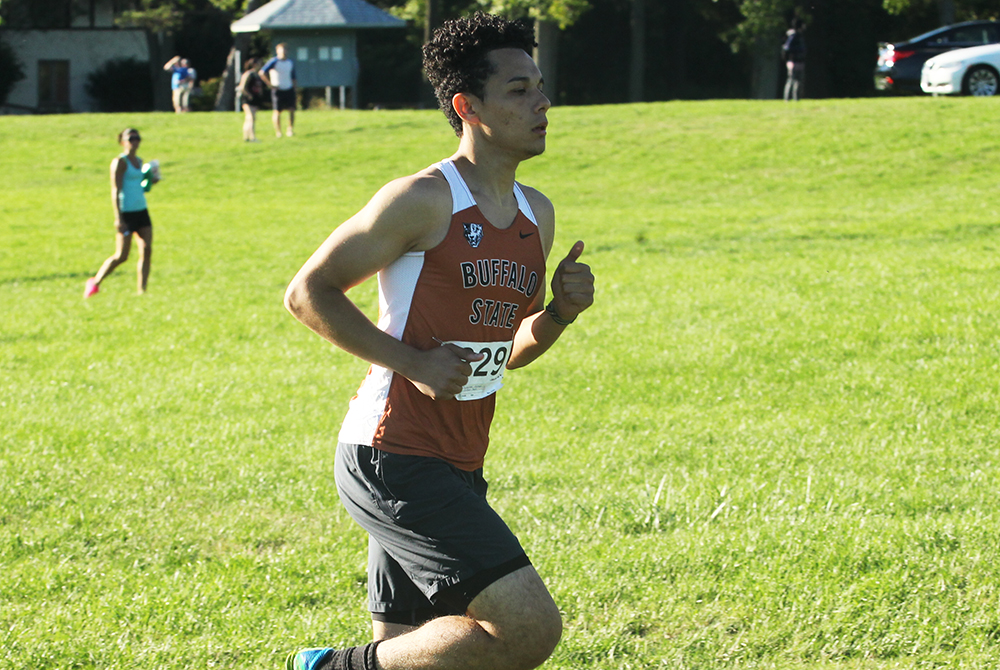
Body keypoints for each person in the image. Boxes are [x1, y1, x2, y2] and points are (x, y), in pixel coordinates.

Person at [282, 12, 595, 670]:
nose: (542, 103)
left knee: (410, 654)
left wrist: (559, 316)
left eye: (540, 86)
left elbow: (511, 343)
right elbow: (308, 291)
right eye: (518, 89)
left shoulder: (536, 213)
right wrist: (412, 361)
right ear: (467, 106)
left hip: (460, 461)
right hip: (393, 454)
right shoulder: (423, 199)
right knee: (530, 628)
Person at [84, 128, 157, 298]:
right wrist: (118, 218)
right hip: (126, 213)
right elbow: (116, 190)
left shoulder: (140, 161)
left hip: (141, 210)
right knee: (122, 255)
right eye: (131, 138)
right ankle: (95, 282)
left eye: (137, 138)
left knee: (147, 250)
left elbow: (141, 187)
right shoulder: (120, 162)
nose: (134, 141)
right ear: (122, 141)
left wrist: (152, 181)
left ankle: (142, 290)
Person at [260, 43, 296, 137]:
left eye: (285, 50)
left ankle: (290, 129)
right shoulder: (274, 61)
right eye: (281, 49)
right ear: (277, 51)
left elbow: (293, 76)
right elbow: (262, 72)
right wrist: (270, 84)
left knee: (291, 110)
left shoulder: (290, 62)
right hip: (278, 89)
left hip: (288, 88)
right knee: (277, 111)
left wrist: (294, 87)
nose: (283, 52)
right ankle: (278, 131)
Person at [237, 58, 268, 142]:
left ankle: (246, 137)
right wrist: (249, 95)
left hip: (255, 99)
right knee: (251, 117)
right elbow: (242, 87)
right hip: (248, 99)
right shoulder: (248, 74)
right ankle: (252, 137)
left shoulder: (257, 75)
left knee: (250, 118)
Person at [783, 19, 807, 102]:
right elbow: (787, 48)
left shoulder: (799, 35)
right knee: (792, 80)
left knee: (798, 81)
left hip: (799, 61)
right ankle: (787, 99)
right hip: (793, 61)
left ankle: (796, 99)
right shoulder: (794, 36)